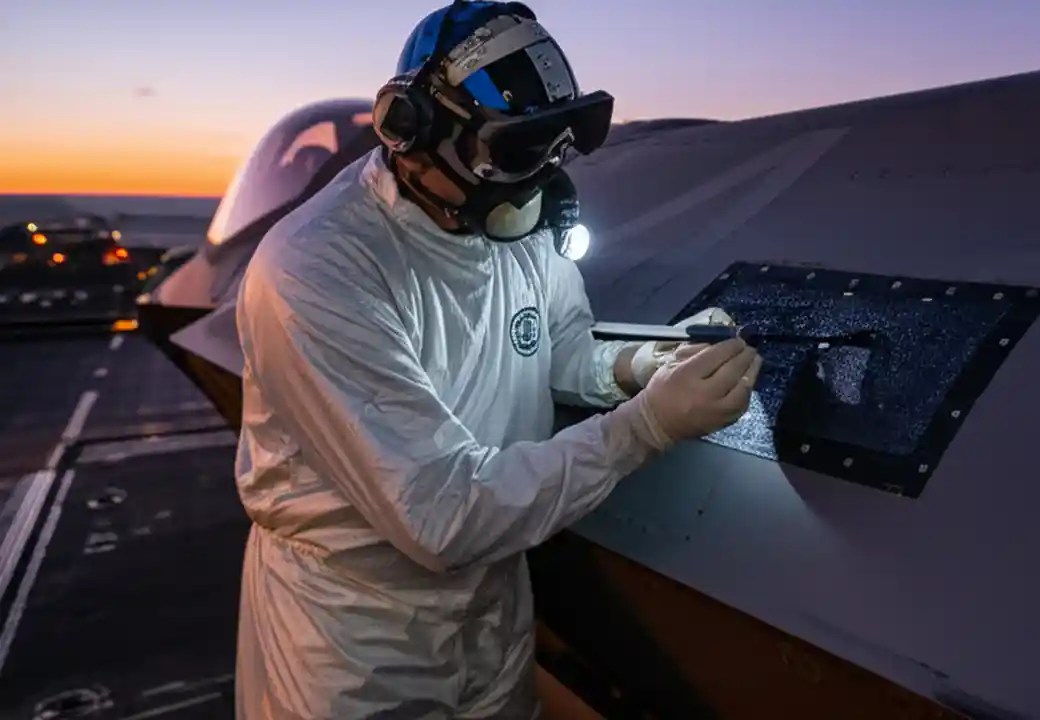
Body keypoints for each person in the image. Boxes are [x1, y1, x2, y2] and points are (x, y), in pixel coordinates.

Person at [231, 2, 761, 718]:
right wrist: (645, 428)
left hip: (493, 606)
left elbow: (557, 342)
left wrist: (642, 364)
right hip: (358, 640)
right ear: (410, 130)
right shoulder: (318, 270)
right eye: (515, 152)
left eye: (551, 149)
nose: (535, 183)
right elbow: (443, 517)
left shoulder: (510, 222)